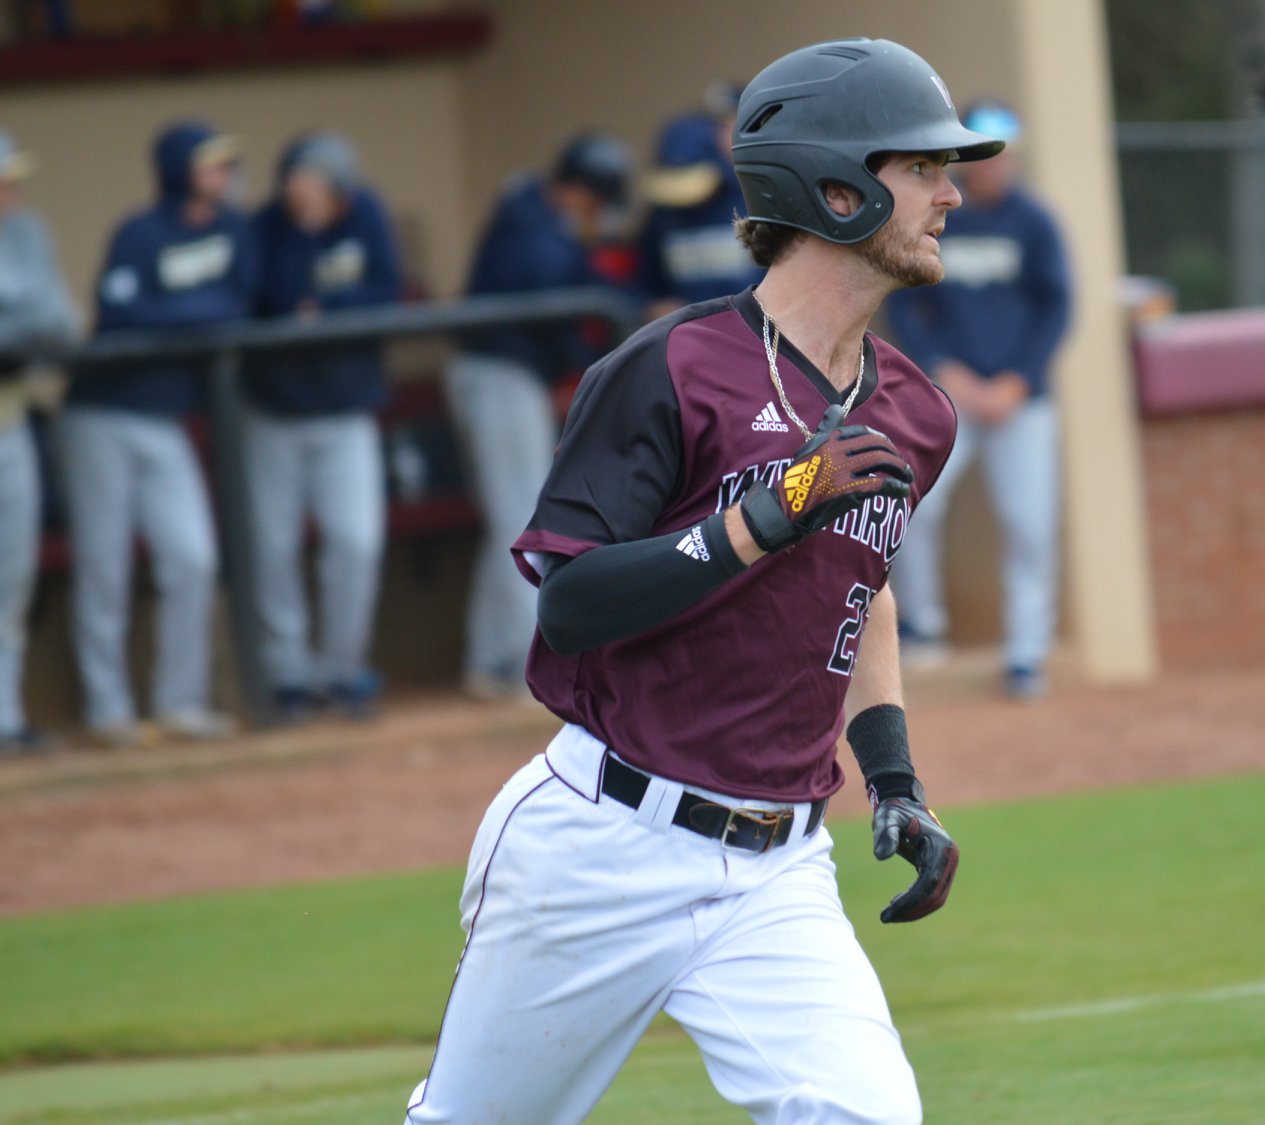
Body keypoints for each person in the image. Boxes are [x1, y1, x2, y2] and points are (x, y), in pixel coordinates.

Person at [405, 38, 1004, 1124]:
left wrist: (896, 780)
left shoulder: (915, 410)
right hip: (599, 846)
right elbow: (571, 604)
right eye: (922, 168)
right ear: (834, 187)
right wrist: (759, 521)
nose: (951, 193)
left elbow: (860, 589)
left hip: (780, 865)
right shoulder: (669, 367)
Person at [59, 120, 252, 746]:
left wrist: (178, 314)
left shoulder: (233, 229)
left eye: (225, 164)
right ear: (179, 169)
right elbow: (119, 313)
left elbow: (240, 304)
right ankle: (108, 709)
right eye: (209, 163)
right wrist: (199, 312)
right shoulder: (140, 232)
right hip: (101, 413)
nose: (221, 174)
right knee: (104, 564)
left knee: (193, 557)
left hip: (164, 417)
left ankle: (179, 702)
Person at [885, 99, 1071, 700]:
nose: (995, 166)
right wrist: (946, 372)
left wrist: (1019, 378)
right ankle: (923, 626)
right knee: (911, 502)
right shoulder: (941, 211)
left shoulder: (1034, 221)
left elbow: (1056, 305)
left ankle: (1026, 655)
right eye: (984, 155)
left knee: (1031, 524)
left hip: (1021, 399)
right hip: (950, 395)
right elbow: (906, 303)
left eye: (1004, 155)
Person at [447, 132, 641, 701]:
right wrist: (574, 368)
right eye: (596, 201)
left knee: (518, 516)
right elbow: (555, 296)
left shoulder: (537, 209)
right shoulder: (534, 226)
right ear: (578, 190)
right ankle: (523, 663)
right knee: (524, 521)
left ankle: (495, 660)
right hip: (497, 372)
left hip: (512, 375)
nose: (598, 215)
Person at [246, 132, 402, 722]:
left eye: (324, 189)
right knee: (273, 547)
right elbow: (263, 298)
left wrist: (328, 311)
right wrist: (304, 239)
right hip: (273, 411)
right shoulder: (265, 228)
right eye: (304, 186)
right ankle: (287, 676)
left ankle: (341, 671)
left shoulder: (366, 216)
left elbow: (387, 291)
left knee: (355, 541)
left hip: (345, 409)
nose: (315, 198)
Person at [0, 131, 79, 756]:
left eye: (13, 178)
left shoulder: (27, 234)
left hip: (11, 420)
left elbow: (60, 322)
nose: (10, 190)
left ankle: (6, 718)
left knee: (13, 581)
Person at [638, 84, 762, 315]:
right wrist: (653, 305)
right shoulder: (663, 216)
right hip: (688, 335)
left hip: (752, 333)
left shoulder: (755, 203)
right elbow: (646, 283)